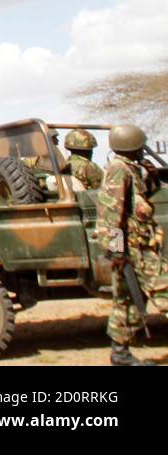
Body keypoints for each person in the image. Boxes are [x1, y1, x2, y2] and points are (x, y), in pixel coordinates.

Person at [96, 124, 166, 366]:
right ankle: (121, 355)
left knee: (125, 300)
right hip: (135, 250)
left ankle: (120, 354)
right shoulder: (119, 170)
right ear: (132, 146)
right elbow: (111, 214)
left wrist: (152, 177)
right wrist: (117, 252)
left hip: (137, 247)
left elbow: (139, 201)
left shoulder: (130, 169)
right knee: (164, 289)